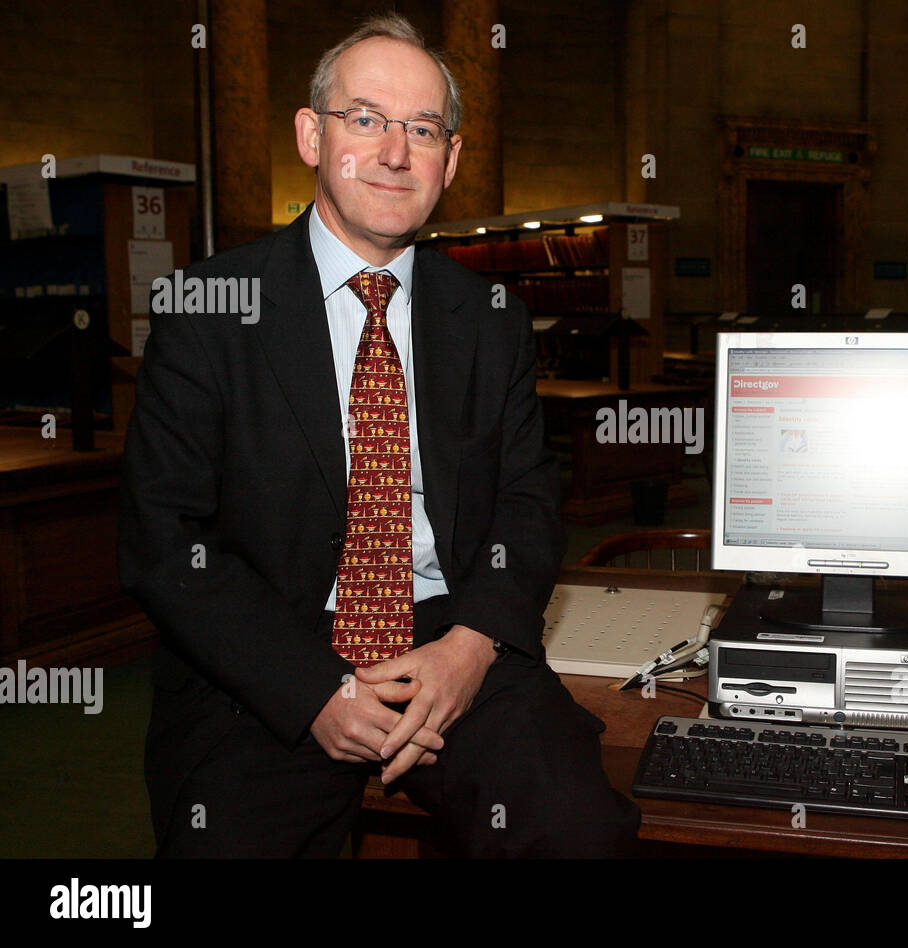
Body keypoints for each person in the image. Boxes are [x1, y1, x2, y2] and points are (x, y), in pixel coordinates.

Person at [118, 12, 640, 858]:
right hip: (263, 659)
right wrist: (311, 688)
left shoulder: (491, 318)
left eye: (423, 129)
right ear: (311, 136)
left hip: (448, 633)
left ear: (453, 159)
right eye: (365, 118)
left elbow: (528, 499)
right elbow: (164, 541)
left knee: (573, 830)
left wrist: (472, 647)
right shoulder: (207, 309)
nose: (396, 152)